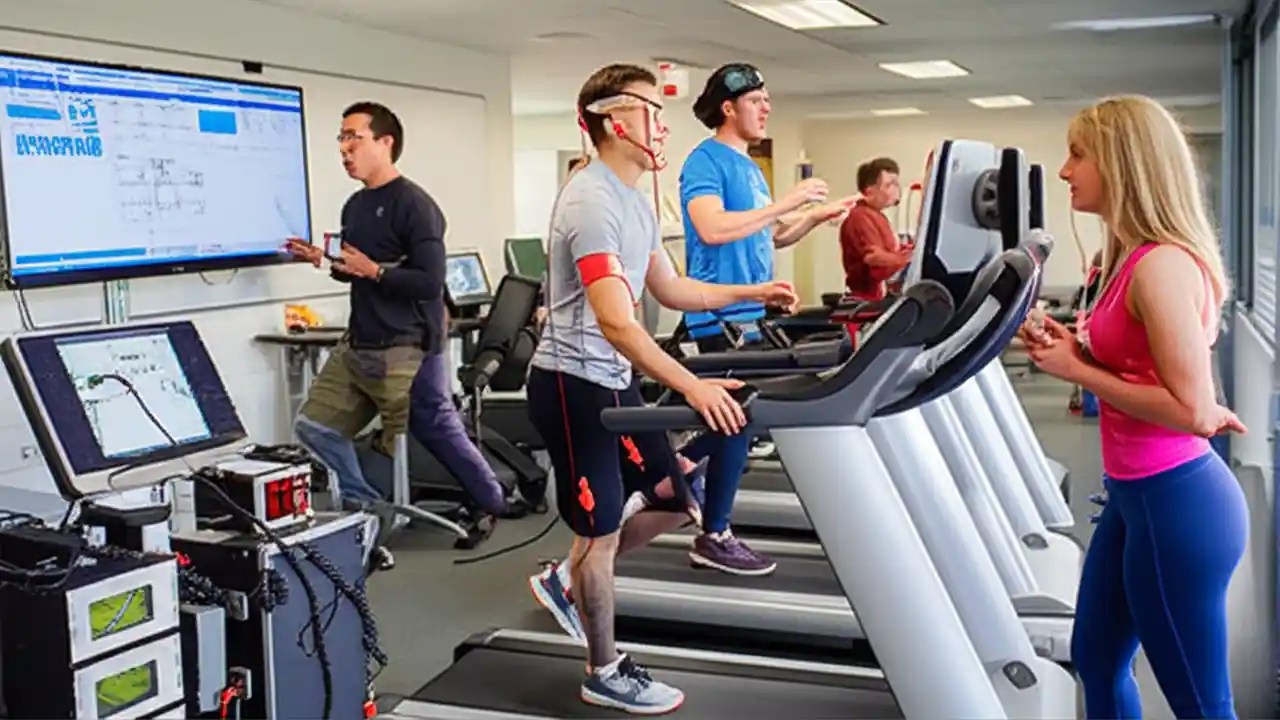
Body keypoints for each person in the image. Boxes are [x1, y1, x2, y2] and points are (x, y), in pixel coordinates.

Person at [524, 63, 798, 715]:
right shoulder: (590, 201)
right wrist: (693, 388)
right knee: (601, 535)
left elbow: (671, 291)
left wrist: (750, 291)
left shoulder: (637, 197)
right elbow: (617, 319)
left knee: (679, 495)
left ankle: (567, 580)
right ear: (616, 121)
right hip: (571, 386)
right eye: (652, 111)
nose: (663, 125)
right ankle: (604, 669)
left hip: (612, 380)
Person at [1019, 94, 1248, 720]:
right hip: (1133, 497)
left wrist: (1077, 371)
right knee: (1096, 658)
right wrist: (1072, 351)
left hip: (1178, 504)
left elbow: (1196, 411)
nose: (1064, 171)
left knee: (1202, 704)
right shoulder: (1122, 259)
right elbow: (1141, 369)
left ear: (1122, 164)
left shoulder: (1163, 266)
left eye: (1077, 155)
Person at [286, 101, 505, 527]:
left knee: (434, 429)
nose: (345, 149)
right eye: (341, 138)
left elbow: (428, 281)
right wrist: (322, 259)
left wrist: (376, 271)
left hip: (409, 344)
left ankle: (493, 500)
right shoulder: (355, 207)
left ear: (385, 143)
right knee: (314, 427)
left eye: (355, 137)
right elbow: (357, 272)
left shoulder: (416, 205)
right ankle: (368, 510)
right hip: (361, 340)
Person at [673, 62, 854, 575]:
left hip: (752, 310)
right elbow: (711, 228)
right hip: (718, 314)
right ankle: (700, 506)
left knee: (744, 419)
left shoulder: (750, 168)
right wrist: (788, 202)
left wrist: (812, 218)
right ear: (728, 108)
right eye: (756, 100)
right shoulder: (705, 161)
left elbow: (765, 235)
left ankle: (693, 487)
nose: (766, 107)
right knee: (738, 419)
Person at [839, 157, 913, 303]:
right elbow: (875, 261)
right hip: (865, 302)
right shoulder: (860, 218)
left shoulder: (877, 216)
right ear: (869, 191)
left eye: (896, 184)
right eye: (889, 185)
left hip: (876, 298)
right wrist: (909, 259)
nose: (896, 189)